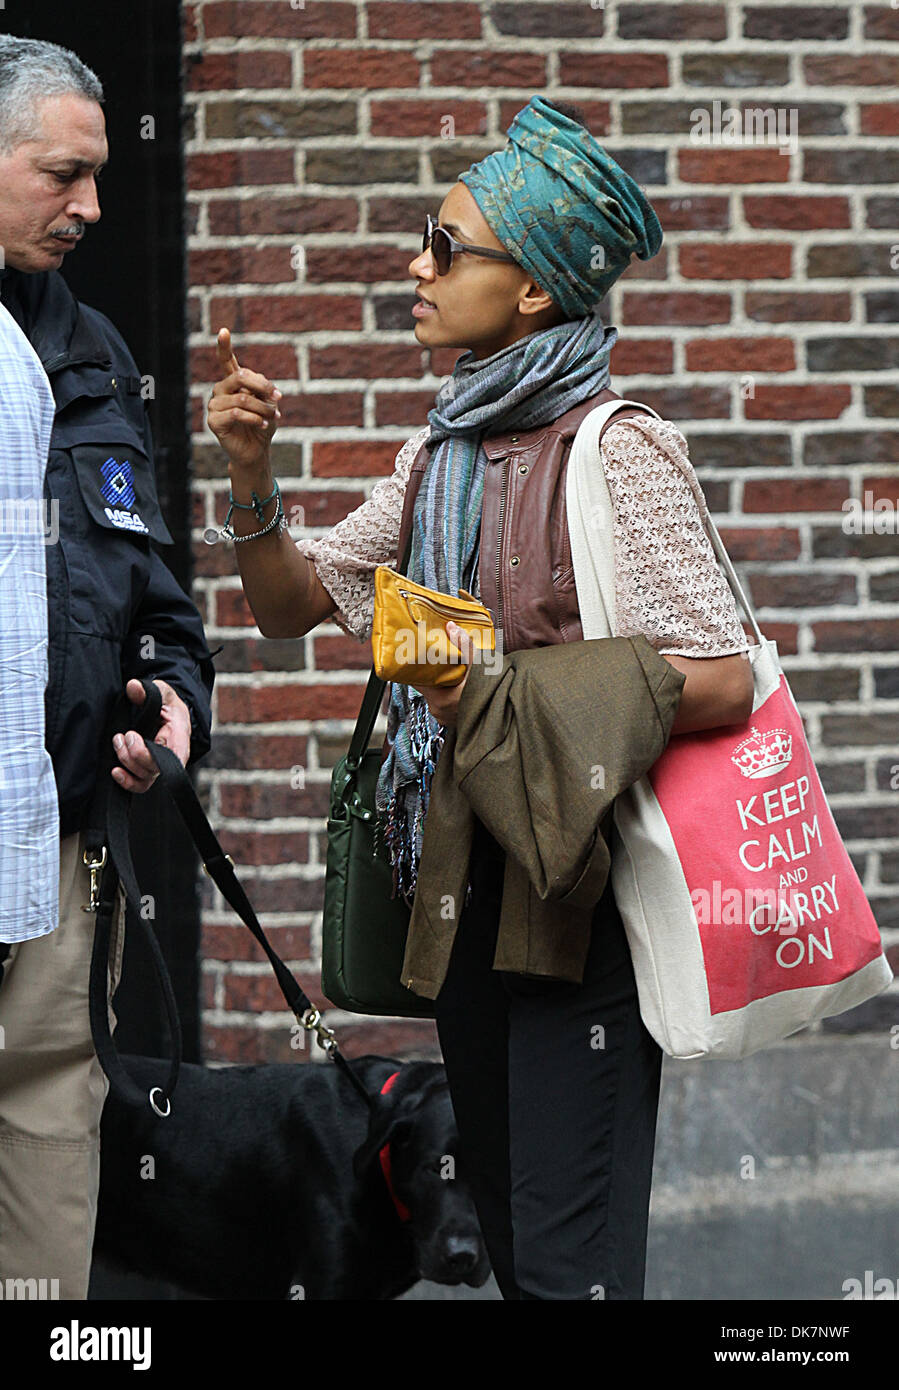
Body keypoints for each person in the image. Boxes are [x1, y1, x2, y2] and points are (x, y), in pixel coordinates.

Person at [207, 95, 753, 1300]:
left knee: (572, 1266)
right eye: (424, 237)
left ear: (534, 292)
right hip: (455, 890)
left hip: (581, 903)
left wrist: (493, 690)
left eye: (447, 247)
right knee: (509, 1245)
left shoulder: (617, 448)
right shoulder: (436, 453)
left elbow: (721, 674)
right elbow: (292, 601)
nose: (417, 264)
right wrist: (251, 477)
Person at [0, 37, 214, 1300]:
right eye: (62, 175)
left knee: (46, 1163)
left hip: (60, 854)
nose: (91, 205)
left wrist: (172, 704)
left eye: (97, 178)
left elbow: (155, 602)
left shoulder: (92, 356)